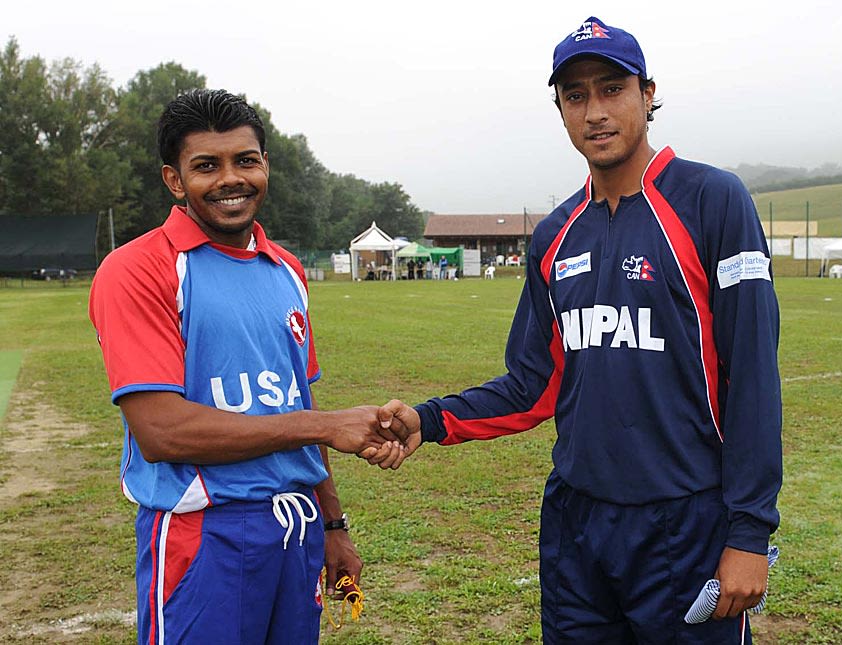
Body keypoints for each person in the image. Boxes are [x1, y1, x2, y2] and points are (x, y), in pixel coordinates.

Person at [374, 16, 782, 644]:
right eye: (575, 95)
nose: (594, 111)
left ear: (648, 95)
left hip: (684, 522)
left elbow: (752, 374)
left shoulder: (713, 200)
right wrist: (427, 421)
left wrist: (749, 531)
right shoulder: (555, 234)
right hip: (577, 524)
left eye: (612, 88)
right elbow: (534, 384)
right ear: (561, 109)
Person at [89, 89, 405, 644]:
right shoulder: (138, 270)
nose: (230, 179)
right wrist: (328, 424)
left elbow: (296, 403)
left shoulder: (285, 269)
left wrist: (333, 525)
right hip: (203, 533)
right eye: (206, 166)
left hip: (295, 527)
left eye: (246, 161)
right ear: (175, 180)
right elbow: (161, 431)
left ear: (265, 166)